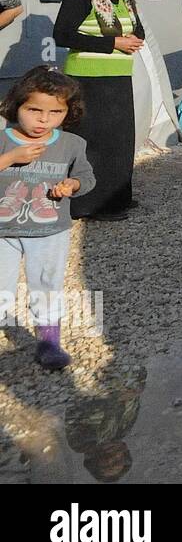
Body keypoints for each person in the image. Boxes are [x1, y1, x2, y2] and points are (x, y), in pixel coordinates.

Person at [0, 65, 96, 370]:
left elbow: (86, 177)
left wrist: (72, 185)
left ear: (68, 112)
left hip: (50, 231)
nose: (43, 119)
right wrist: (10, 158)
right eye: (34, 109)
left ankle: (49, 340)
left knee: (47, 283)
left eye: (55, 112)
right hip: (4, 232)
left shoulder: (71, 144)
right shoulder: (3, 139)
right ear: (17, 106)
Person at [52, 0, 144, 222]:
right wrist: (114, 42)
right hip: (87, 79)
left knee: (119, 140)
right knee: (93, 142)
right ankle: (89, 204)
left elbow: (136, 29)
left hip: (117, 77)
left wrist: (133, 39)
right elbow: (63, 35)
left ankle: (116, 197)